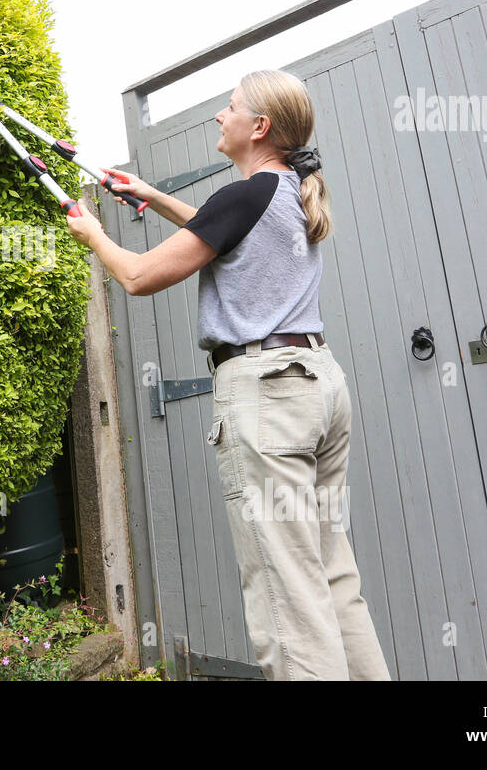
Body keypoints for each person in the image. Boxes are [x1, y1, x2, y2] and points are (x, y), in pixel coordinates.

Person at [65, 69, 391, 681]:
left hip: (267, 397)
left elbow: (135, 277)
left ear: (259, 127)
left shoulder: (244, 196)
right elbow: (224, 232)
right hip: (318, 386)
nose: (222, 116)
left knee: (287, 593)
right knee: (329, 572)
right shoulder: (288, 189)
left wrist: (93, 236)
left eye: (231, 107)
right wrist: (152, 195)